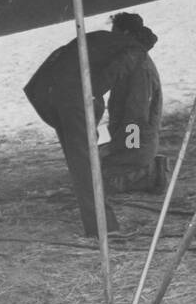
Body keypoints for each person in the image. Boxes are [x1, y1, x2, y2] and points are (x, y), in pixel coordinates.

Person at [24, 13, 163, 237]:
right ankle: (103, 227)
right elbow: (104, 83)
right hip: (70, 96)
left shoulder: (103, 40)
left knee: (81, 160)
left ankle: (94, 211)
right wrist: (93, 104)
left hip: (44, 91)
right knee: (87, 162)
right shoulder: (134, 52)